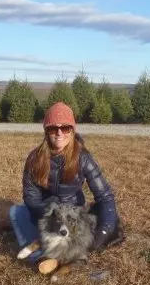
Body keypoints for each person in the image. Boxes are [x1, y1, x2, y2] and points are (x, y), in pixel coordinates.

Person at [9, 101, 125, 267]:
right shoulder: (34, 158)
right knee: (15, 211)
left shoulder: (83, 158)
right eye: (53, 128)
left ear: (72, 130)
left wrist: (101, 235)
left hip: (73, 215)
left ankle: (47, 257)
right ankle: (45, 255)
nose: (59, 133)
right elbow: (31, 198)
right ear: (46, 131)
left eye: (65, 128)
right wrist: (49, 215)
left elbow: (105, 197)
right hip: (47, 214)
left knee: (73, 230)